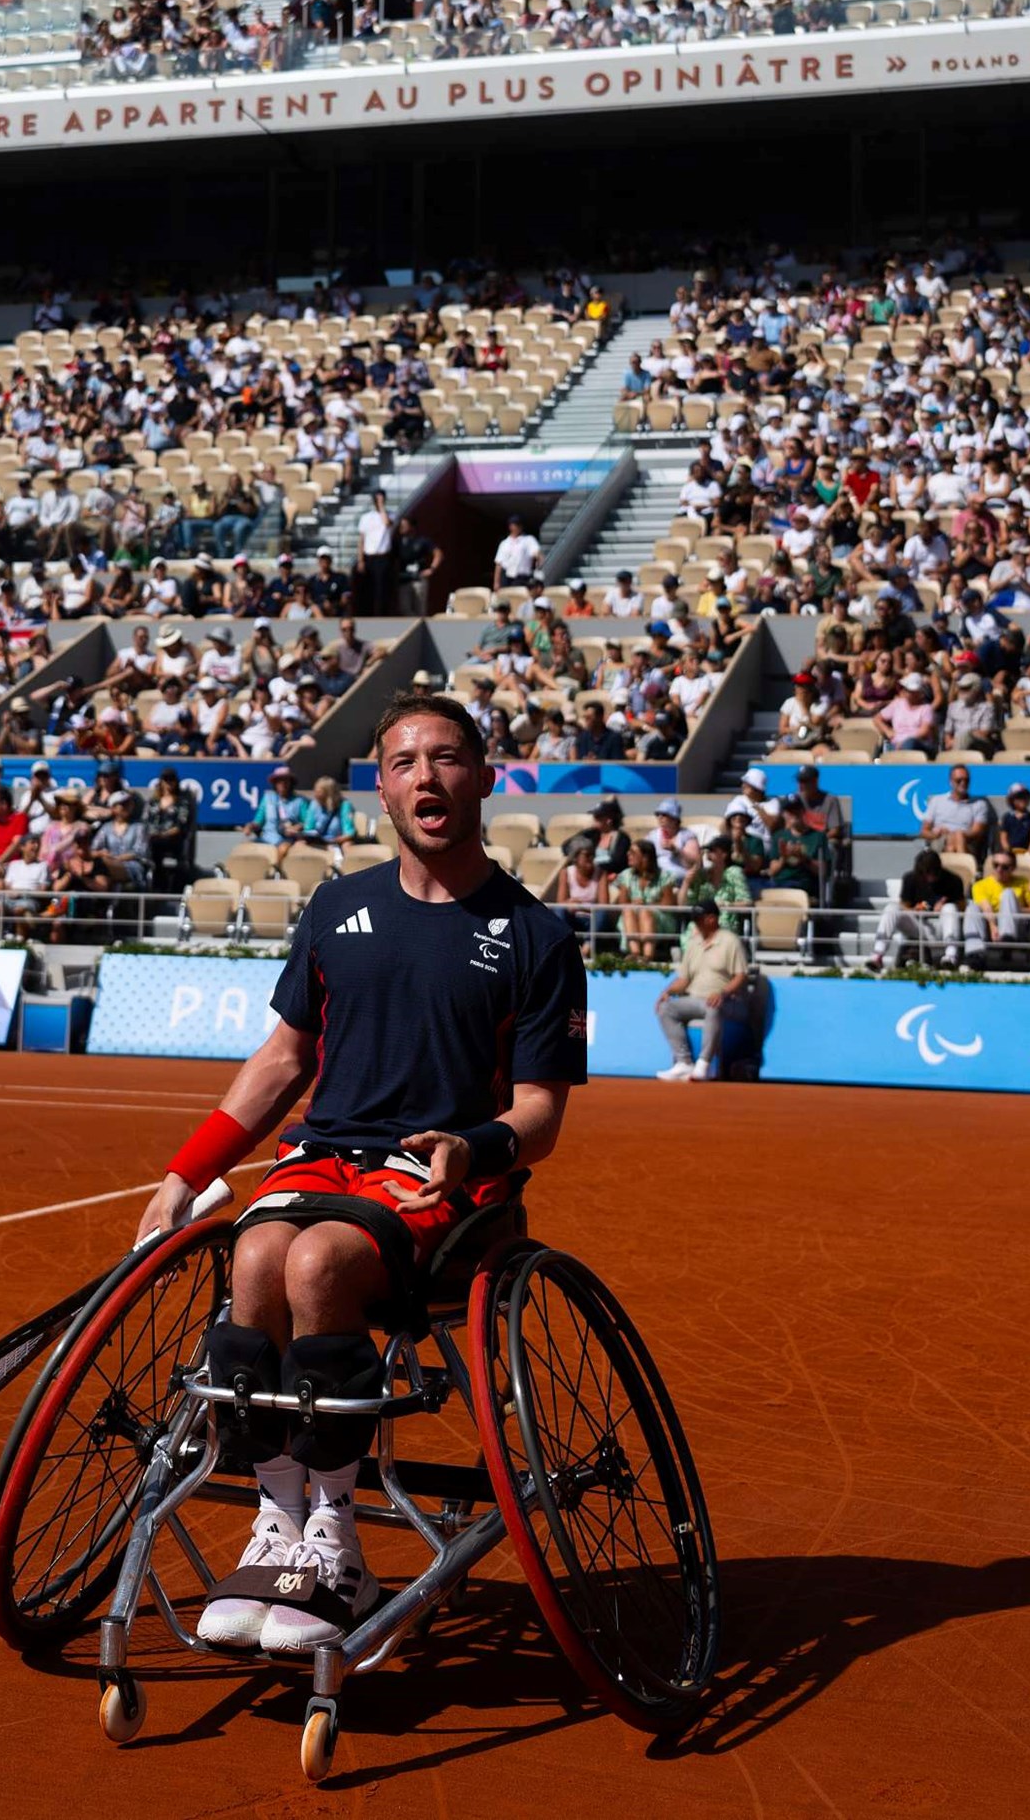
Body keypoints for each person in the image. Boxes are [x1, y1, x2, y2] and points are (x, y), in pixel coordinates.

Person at [136, 690, 585, 1654]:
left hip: (441, 1177)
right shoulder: (338, 907)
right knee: (255, 1259)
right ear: (382, 789)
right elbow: (282, 1060)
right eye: (405, 762)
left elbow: (540, 1113)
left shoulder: (537, 937)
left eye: (447, 758)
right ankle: (279, 1520)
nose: (427, 777)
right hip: (324, 1156)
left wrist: (477, 1145)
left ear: (483, 778)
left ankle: (336, 1539)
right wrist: (185, 1172)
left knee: (317, 1264)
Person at [655, 895, 750, 1082]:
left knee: (713, 1006)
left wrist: (722, 993)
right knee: (665, 1008)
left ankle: (704, 1063)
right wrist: (668, 992)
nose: (696, 924)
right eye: (695, 920)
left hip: (727, 1002)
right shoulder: (693, 944)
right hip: (695, 999)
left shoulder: (730, 941)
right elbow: (684, 979)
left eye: (699, 919)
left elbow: (741, 976)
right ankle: (683, 1062)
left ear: (712, 919)